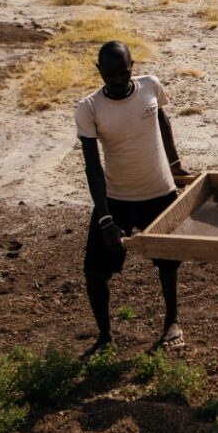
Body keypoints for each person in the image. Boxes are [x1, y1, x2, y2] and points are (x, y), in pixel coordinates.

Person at [75, 41, 189, 353]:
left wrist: (176, 164)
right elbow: (92, 165)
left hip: (159, 192)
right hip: (116, 199)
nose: (115, 80)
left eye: (122, 73)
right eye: (108, 74)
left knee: (167, 263)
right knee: (95, 273)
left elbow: (163, 120)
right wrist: (105, 217)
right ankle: (104, 337)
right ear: (99, 71)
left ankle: (172, 323)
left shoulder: (151, 86)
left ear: (132, 67)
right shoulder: (89, 108)